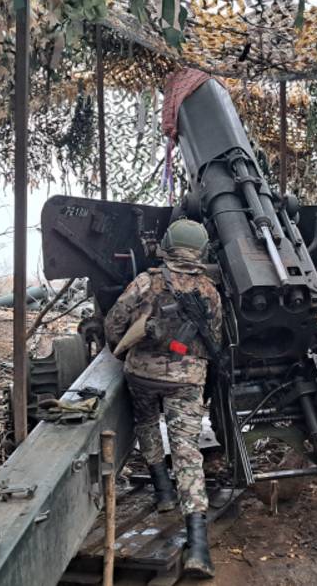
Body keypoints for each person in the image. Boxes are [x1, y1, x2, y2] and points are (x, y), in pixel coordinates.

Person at [104, 218, 223, 579]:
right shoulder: (210, 291)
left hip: (142, 374)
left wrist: (126, 351)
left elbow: (114, 324)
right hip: (186, 380)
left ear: (168, 245)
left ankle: (163, 491)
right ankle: (198, 548)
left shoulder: (146, 281)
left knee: (146, 422)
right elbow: (215, 336)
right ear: (201, 251)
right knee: (186, 452)